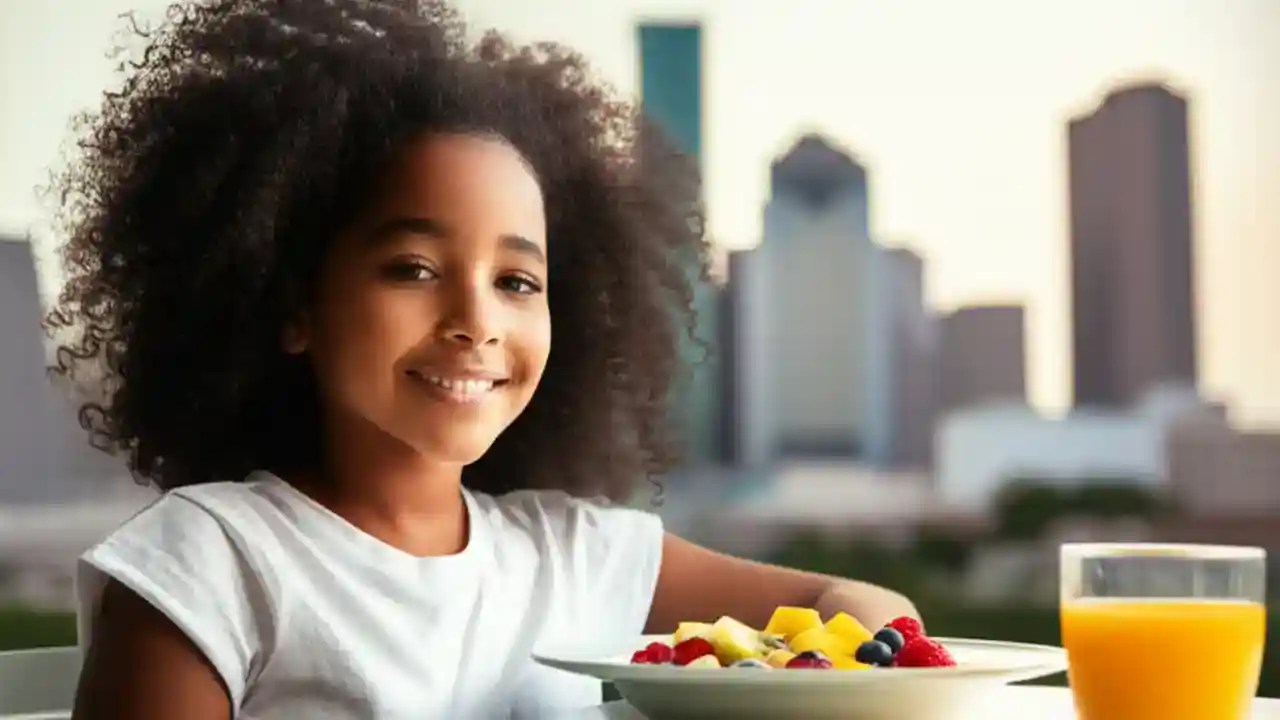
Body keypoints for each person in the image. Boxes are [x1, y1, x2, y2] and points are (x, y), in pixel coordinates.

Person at [50, 0, 919, 717]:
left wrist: (826, 660)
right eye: (415, 270)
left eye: (516, 281)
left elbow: (864, 610)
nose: (476, 320)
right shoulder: (211, 562)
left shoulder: (577, 556)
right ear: (291, 308)